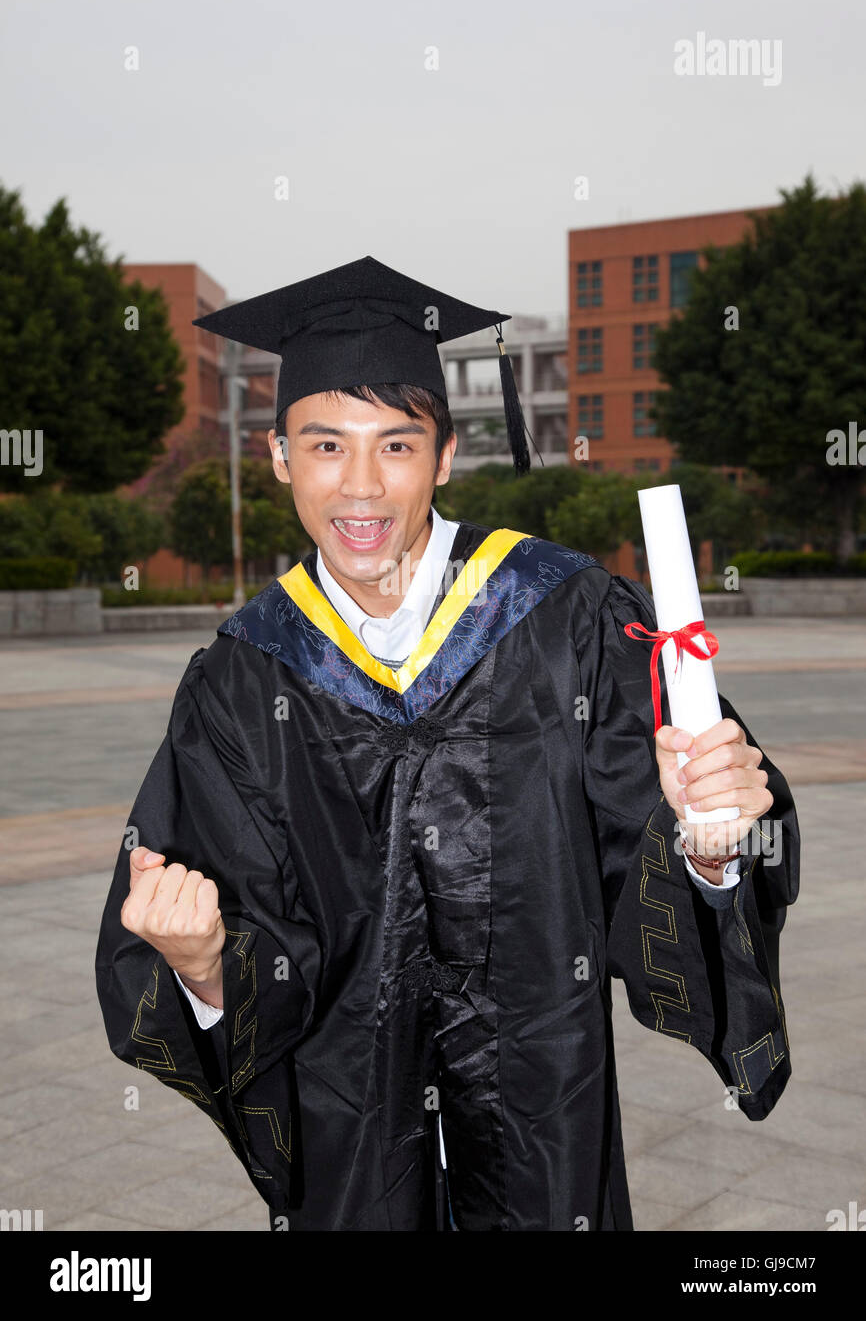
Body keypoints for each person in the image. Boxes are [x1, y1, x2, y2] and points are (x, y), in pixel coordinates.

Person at [95, 255, 799, 1232]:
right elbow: (232, 927)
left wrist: (709, 848)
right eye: (326, 445)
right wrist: (205, 967)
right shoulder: (244, 678)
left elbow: (664, 842)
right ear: (279, 455)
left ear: (445, 453)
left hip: (542, 1125)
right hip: (352, 1148)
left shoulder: (566, 617)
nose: (361, 486)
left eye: (396, 444)